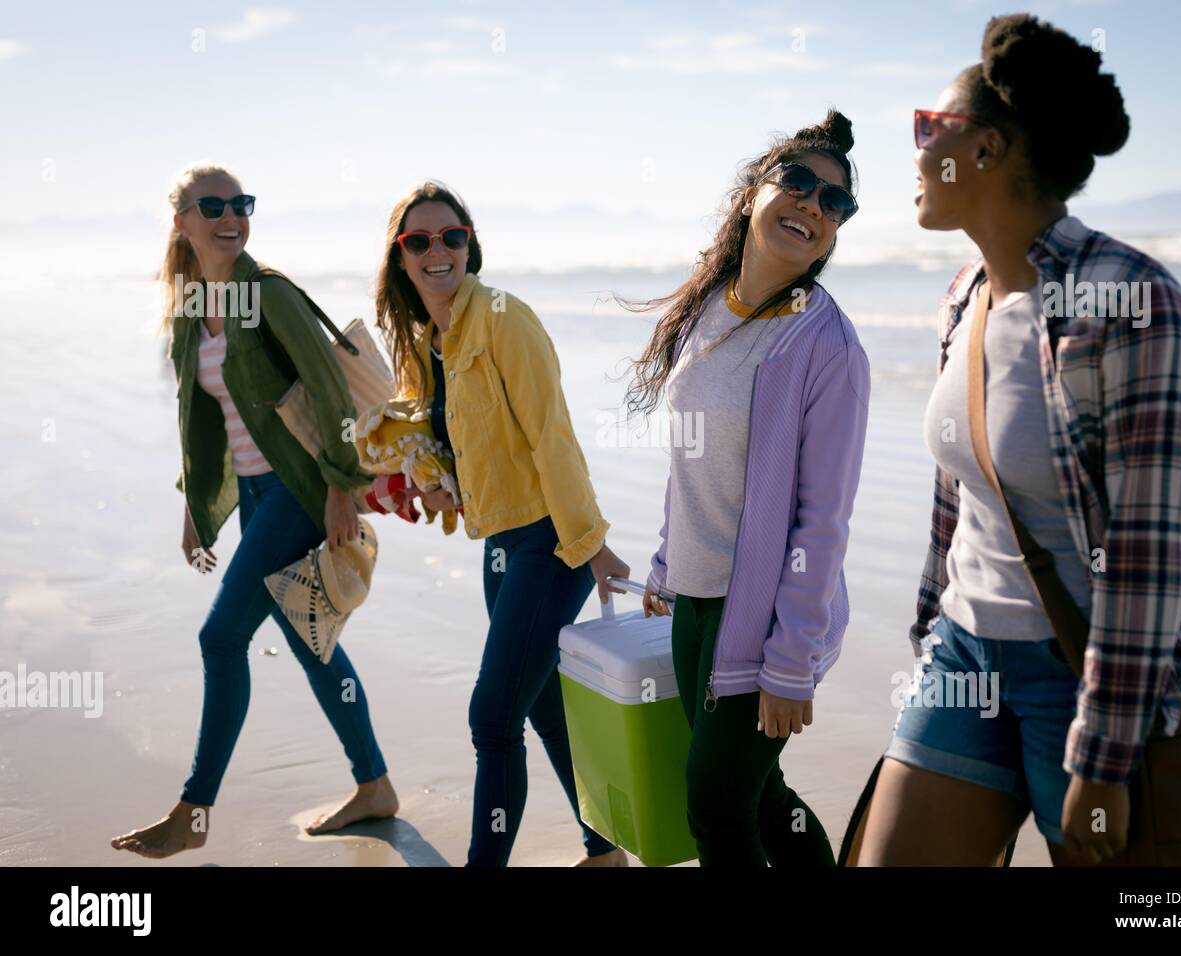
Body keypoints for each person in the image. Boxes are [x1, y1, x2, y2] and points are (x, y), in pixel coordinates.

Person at [857, 13, 1181, 866]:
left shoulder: (1130, 300)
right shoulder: (962, 297)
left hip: (1084, 674)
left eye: (927, 128)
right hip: (963, 655)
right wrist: (928, 632)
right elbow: (963, 497)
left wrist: (1105, 749)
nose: (912, 151)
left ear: (987, 150)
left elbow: (1149, 549)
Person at [112, 164, 395, 859]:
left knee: (219, 640)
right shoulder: (193, 305)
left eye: (242, 203)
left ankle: (193, 812)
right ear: (180, 220)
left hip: (298, 491)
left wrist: (337, 487)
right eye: (212, 205)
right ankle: (377, 787)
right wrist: (195, 507)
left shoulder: (264, 293)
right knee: (310, 640)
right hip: (255, 498)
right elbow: (199, 418)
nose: (230, 215)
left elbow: (329, 390)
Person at [632, 110, 871, 866]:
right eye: (797, 183)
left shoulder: (825, 345)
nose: (812, 205)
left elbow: (821, 521)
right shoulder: (705, 307)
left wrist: (791, 660)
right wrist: (668, 564)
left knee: (714, 807)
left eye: (834, 202)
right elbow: (692, 456)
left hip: (766, 619)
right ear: (751, 196)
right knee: (758, 798)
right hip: (695, 603)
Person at [373, 181, 631, 866]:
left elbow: (553, 436)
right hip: (501, 543)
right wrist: (435, 482)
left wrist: (591, 545)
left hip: (550, 540)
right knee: (542, 708)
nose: (438, 250)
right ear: (400, 258)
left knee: (493, 718)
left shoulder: (503, 318)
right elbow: (459, 440)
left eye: (452, 236)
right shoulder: (429, 341)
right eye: (419, 240)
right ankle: (606, 854)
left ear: (470, 245)